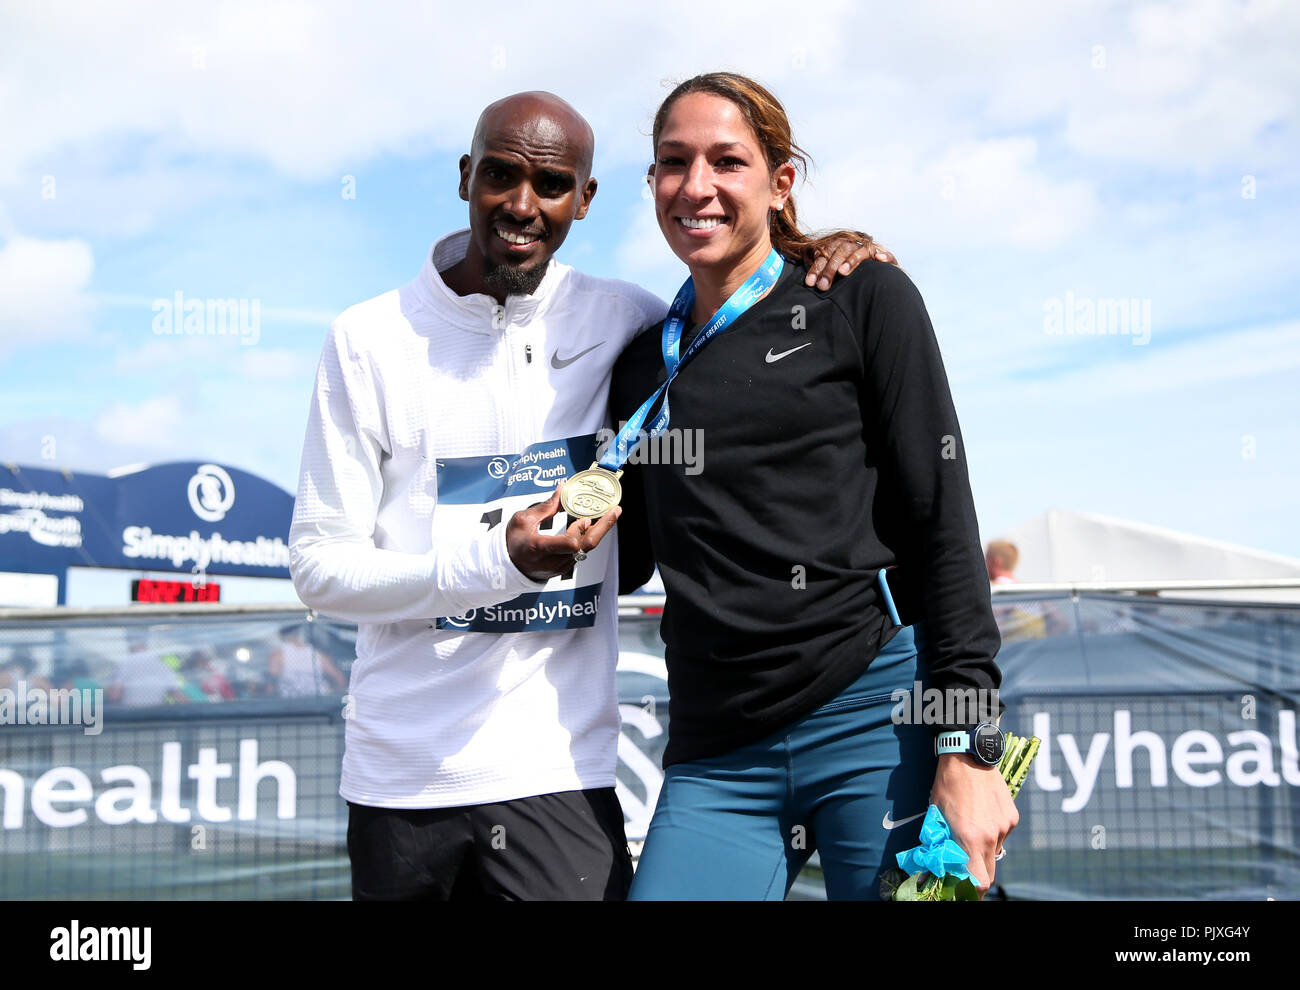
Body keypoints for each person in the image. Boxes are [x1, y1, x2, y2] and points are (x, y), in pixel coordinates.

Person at [288, 89, 896, 901]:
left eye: (550, 186)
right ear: (466, 176)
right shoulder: (367, 340)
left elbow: (741, 311)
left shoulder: (630, 325)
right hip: (402, 780)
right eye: (499, 176)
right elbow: (318, 569)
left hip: (557, 772)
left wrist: (832, 255)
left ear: (586, 198)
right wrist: (495, 558)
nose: (520, 205)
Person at [611, 72, 1017, 900]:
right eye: (672, 162)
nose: (697, 186)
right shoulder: (640, 365)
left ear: (781, 180)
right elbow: (629, 565)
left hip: (874, 716)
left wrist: (969, 747)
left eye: (727, 161)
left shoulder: (861, 298)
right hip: (715, 750)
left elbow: (942, 523)